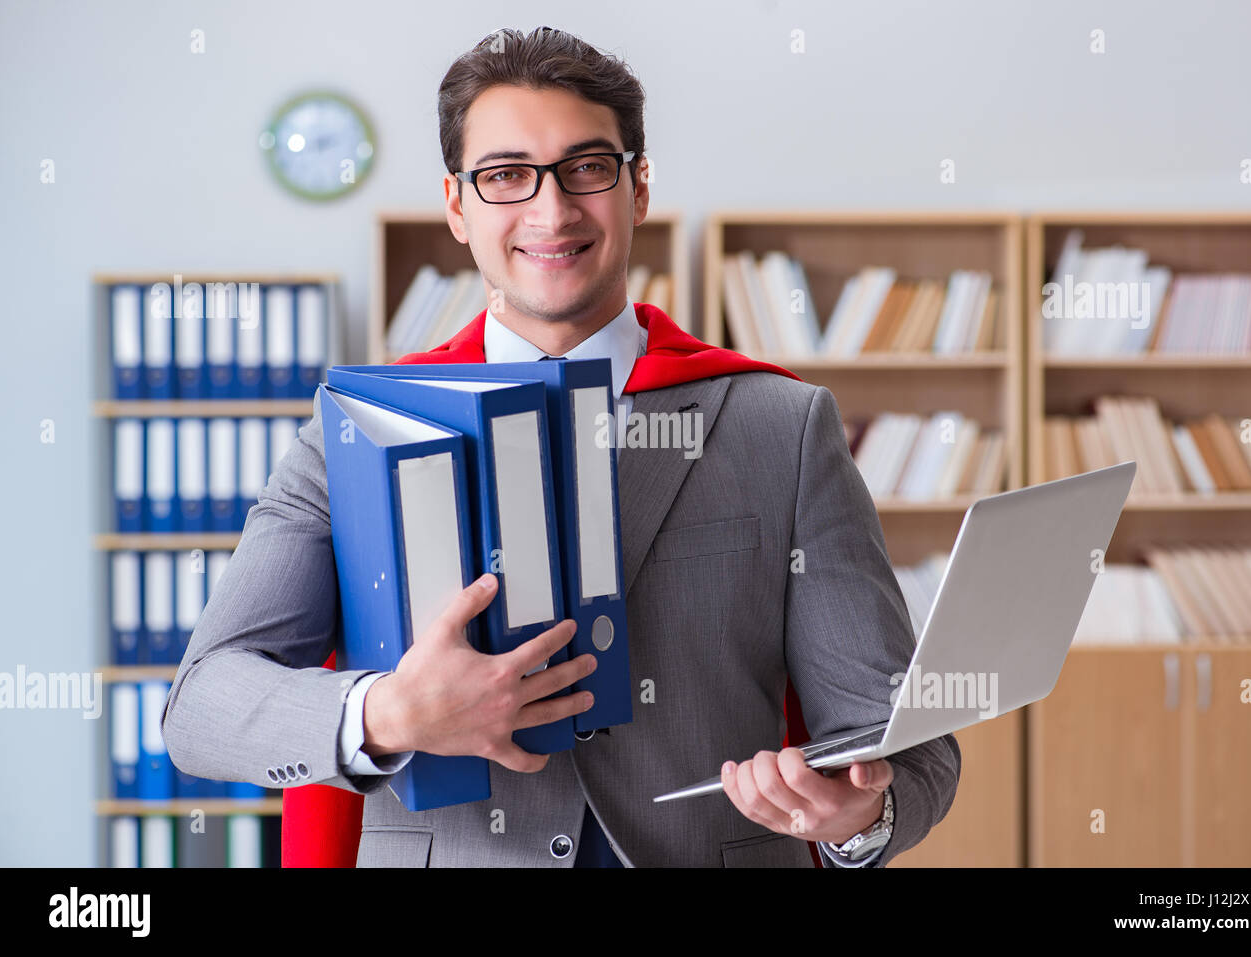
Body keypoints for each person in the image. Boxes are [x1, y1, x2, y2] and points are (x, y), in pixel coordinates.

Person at [162, 25, 960, 868]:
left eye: (588, 167)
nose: (552, 210)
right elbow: (203, 706)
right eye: (507, 175)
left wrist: (855, 816)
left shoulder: (781, 426)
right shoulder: (356, 426)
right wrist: (389, 712)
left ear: (638, 188)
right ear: (457, 205)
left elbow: (910, 748)